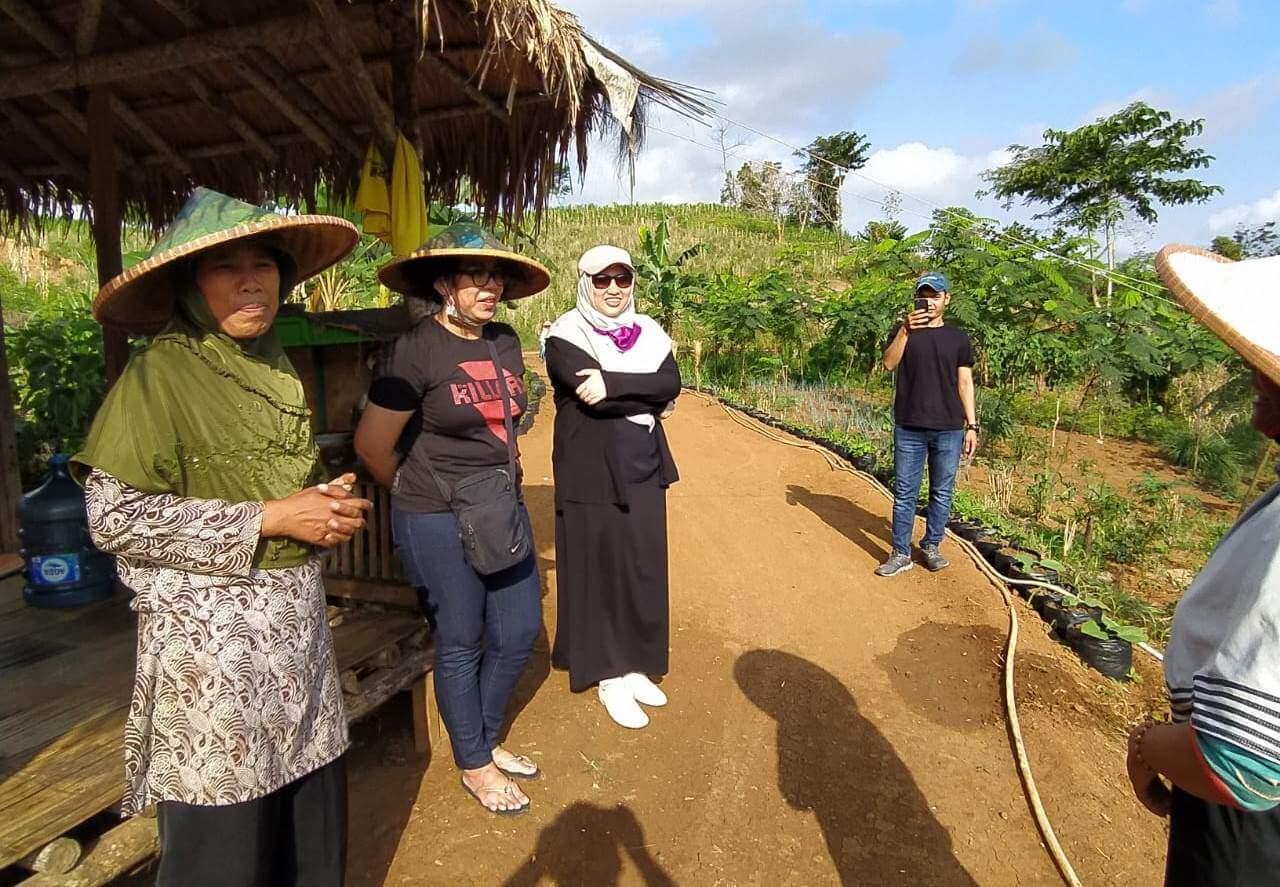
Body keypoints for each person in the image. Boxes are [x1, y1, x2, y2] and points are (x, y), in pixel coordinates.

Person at [73, 188, 370, 887]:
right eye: (224, 267)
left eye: (262, 264)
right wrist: (268, 517)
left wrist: (323, 507)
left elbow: (280, 492)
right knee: (224, 848)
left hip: (296, 645)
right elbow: (112, 516)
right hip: (214, 664)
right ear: (189, 285)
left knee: (305, 836)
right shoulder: (161, 375)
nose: (249, 281)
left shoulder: (272, 367)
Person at [353, 223, 550, 815]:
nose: (490, 286)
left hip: (497, 506)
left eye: (498, 277)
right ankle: (474, 763)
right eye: (476, 276)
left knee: (518, 630)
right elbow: (371, 444)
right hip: (434, 514)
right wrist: (421, 496)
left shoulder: (506, 342)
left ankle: (482, 738)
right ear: (445, 284)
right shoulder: (416, 349)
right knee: (461, 639)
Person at [1126, 244, 1280, 886]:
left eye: (1263, 365)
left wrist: (1147, 747)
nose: (1251, 373)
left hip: (1246, 833)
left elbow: (1239, 763)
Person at [544, 245, 680, 729]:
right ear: (585, 283)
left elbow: (671, 383)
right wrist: (645, 393)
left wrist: (617, 385)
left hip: (642, 465)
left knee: (641, 562)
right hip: (591, 470)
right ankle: (607, 675)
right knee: (600, 565)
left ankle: (635, 661)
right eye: (602, 281)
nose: (613, 290)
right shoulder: (565, 334)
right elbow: (588, 393)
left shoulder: (651, 332)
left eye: (622, 280)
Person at [875, 271, 978, 577]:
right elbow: (888, 363)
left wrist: (972, 426)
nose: (930, 302)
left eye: (936, 296)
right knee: (905, 493)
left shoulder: (958, 339)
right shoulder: (903, 331)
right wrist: (905, 331)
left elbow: (965, 383)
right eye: (925, 295)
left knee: (942, 493)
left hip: (948, 428)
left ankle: (931, 545)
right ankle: (901, 552)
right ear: (916, 299)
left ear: (947, 299)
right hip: (909, 426)